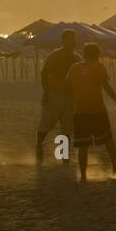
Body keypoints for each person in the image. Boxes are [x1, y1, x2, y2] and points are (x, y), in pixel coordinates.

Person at [65, 42, 116, 181]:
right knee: (108, 140)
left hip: (80, 112)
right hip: (97, 111)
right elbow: (106, 87)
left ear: (84, 54)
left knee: (83, 145)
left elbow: (68, 88)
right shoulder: (98, 67)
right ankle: (115, 167)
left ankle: (83, 176)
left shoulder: (74, 68)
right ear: (97, 55)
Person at [36, 29, 80, 163]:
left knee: (67, 128)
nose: (73, 42)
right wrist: (46, 92)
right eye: (70, 39)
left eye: (74, 39)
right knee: (47, 123)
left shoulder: (76, 58)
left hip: (70, 96)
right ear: (63, 41)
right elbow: (44, 74)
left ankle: (64, 155)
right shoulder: (55, 56)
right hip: (54, 94)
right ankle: (39, 145)